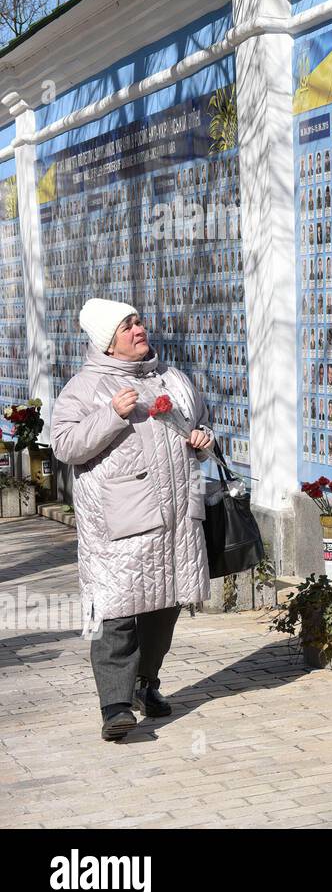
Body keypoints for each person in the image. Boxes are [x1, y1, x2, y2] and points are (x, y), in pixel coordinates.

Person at [52, 299, 215, 741]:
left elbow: (200, 427)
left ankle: (146, 685)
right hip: (118, 522)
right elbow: (64, 445)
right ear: (108, 341)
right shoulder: (85, 388)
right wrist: (111, 415)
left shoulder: (173, 379)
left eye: (138, 321)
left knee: (164, 608)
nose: (138, 330)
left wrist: (202, 439)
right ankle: (115, 706)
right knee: (114, 612)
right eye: (127, 326)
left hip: (176, 518)